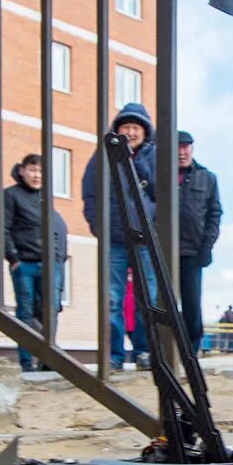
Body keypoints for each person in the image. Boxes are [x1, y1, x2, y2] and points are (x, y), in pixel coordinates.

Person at [80, 102, 159, 373]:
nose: (131, 132)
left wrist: (155, 226)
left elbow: (166, 196)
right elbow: (90, 192)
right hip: (113, 237)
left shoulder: (154, 156)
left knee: (147, 296)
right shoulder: (103, 155)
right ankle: (113, 354)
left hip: (144, 239)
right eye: (126, 126)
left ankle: (145, 351)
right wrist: (97, 226)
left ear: (145, 132)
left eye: (136, 127)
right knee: (112, 298)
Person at [1, 154, 70, 372]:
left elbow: (56, 230)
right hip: (25, 264)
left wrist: (58, 259)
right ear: (22, 170)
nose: (36, 175)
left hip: (50, 264)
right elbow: (3, 228)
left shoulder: (45, 198)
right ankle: (26, 362)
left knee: (50, 312)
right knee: (26, 312)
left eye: (40, 171)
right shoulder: (10, 195)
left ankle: (47, 359)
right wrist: (14, 259)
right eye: (32, 170)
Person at [175, 130, 222, 351]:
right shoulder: (160, 174)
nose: (182, 152)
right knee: (161, 303)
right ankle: (165, 349)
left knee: (192, 304)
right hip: (163, 252)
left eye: (186, 147)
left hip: (193, 252)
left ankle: (191, 350)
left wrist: (207, 246)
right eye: (177, 147)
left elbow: (214, 214)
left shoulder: (207, 177)